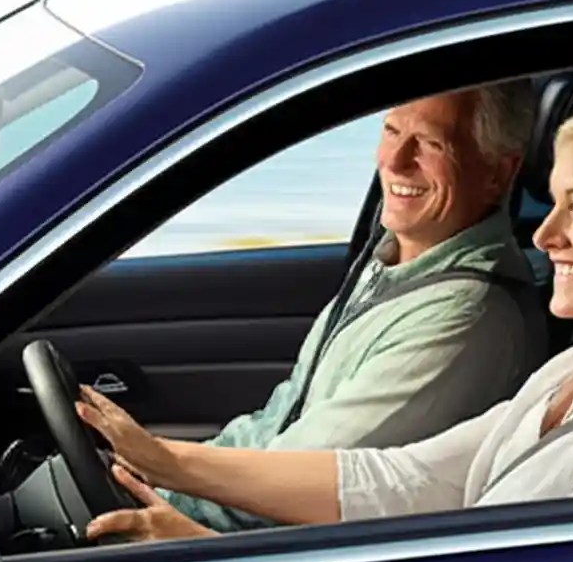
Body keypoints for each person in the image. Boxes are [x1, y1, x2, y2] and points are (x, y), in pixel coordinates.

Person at [77, 92, 573, 543]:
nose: (545, 236)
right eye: (552, 203)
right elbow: (407, 481)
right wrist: (170, 462)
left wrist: (201, 547)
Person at [148, 81, 547, 532]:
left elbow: (292, 483)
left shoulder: (467, 317)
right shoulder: (394, 261)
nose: (394, 161)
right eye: (392, 131)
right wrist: (147, 475)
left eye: (430, 143)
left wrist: (161, 492)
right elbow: (279, 419)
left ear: (498, 173)